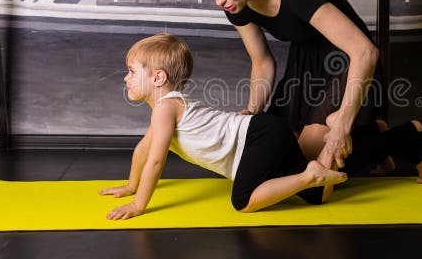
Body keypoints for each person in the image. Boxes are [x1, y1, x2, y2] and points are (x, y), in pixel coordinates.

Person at [189, 0, 422, 182]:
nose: (219, 1)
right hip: (305, 64)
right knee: (276, 156)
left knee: (308, 167)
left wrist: (342, 123)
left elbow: (365, 52)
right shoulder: (235, 2)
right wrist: (253, 110)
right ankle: (374, 136)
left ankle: (407, 137)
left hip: (347, 61)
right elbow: (261, 61)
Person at [99, 33, 347, 220]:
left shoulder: (165, 108)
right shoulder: (166, 109)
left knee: (243, 201)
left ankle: (309, 175)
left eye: (131, 71)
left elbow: (155, 161)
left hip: (257, 137)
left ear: (158, 77)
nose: (125, 77)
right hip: (265, 133)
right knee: (317, 196)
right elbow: (144, 150)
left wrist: (138, 205)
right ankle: (330, 146)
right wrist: (131, 186)